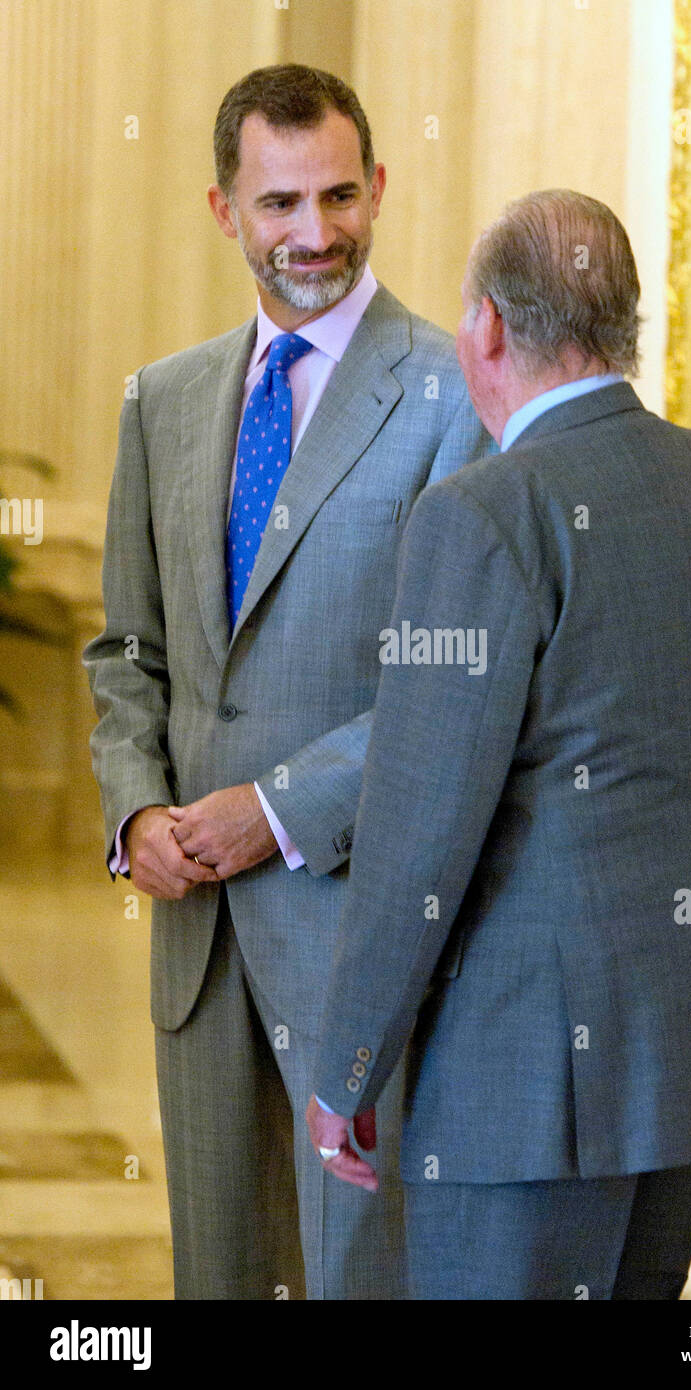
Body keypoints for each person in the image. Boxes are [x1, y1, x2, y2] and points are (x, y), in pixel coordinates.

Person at [307, 189, 691, 1300]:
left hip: (515, 1093)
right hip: (684, 1067)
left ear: (490, 329)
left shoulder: (480, 512)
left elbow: (418, 829)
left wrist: (349, 1062)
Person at [83, 63, 489, 1301]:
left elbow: (458, 686)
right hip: (195, 941)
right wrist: (135, 812)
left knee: (358, 1272)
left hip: (359, 933)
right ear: (223, 210)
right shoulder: (163, 401)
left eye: (337, 196)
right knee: (218, 1270)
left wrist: (276, 810)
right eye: (278, 204)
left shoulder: (452, 397)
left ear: (378, 187)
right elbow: (127, 653)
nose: (313, 234)